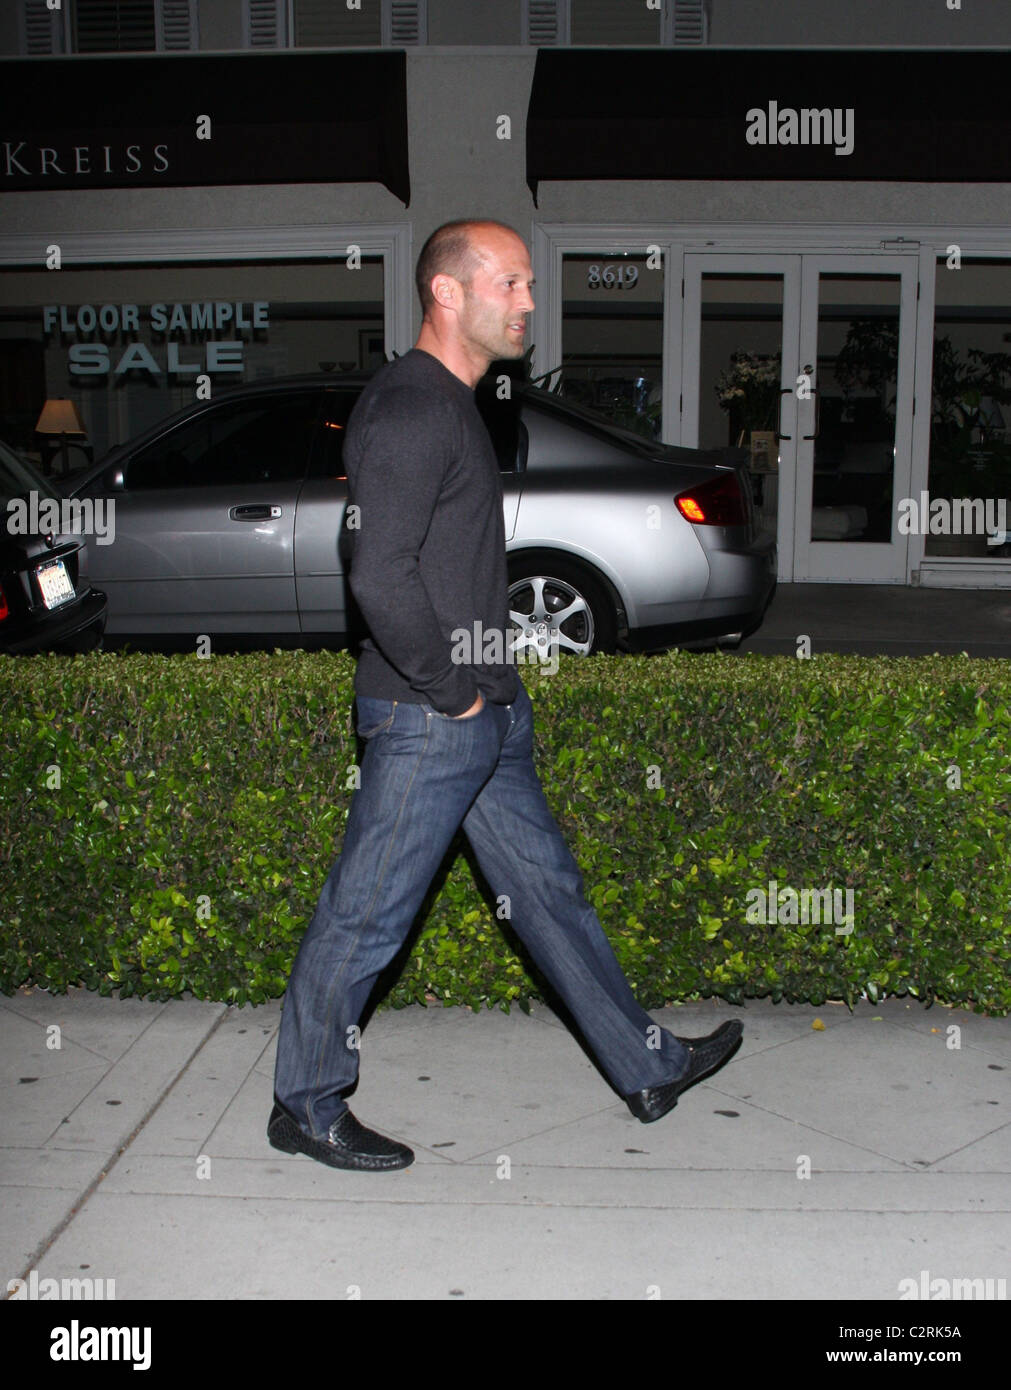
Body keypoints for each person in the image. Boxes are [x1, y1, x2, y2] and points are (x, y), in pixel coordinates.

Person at [268, 219, 742, 1172]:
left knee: (548, 897)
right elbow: (379, 574)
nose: (530, 302)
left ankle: (643, 1063)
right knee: (365, 916)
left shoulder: (456, 404)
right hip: (429, 717)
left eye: (530, 285)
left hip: (482, 709)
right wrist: (452, 696)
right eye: (512, 283)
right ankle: (306, 1102)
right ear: (449, 294)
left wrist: (490, 693)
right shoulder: (409, 407)